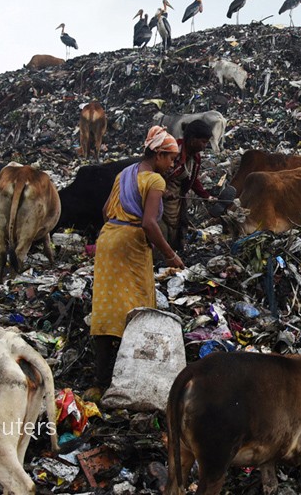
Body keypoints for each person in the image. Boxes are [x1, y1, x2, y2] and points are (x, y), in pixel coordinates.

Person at [90, 126, 185, 397]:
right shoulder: (156, 181)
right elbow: (148, 223)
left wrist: (155, 198)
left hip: (107, 241)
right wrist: (170, 254)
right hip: (131, 247)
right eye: (169, 158)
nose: (172, 164)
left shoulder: (125, 173)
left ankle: (99, 381)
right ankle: (130, 378)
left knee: (107, 309)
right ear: (157, 155)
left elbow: (106, 210)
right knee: (137, 309)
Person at [162, 119, 214, 251]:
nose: (204, 146)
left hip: (177, 198)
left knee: (177, 228)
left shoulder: (195, 157)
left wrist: (205, 196)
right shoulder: (174, 151)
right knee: (161, 228)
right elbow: (156, 174)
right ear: (192, 139)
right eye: (203, 141)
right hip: (160, 198)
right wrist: (163, 191)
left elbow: (193, 179)